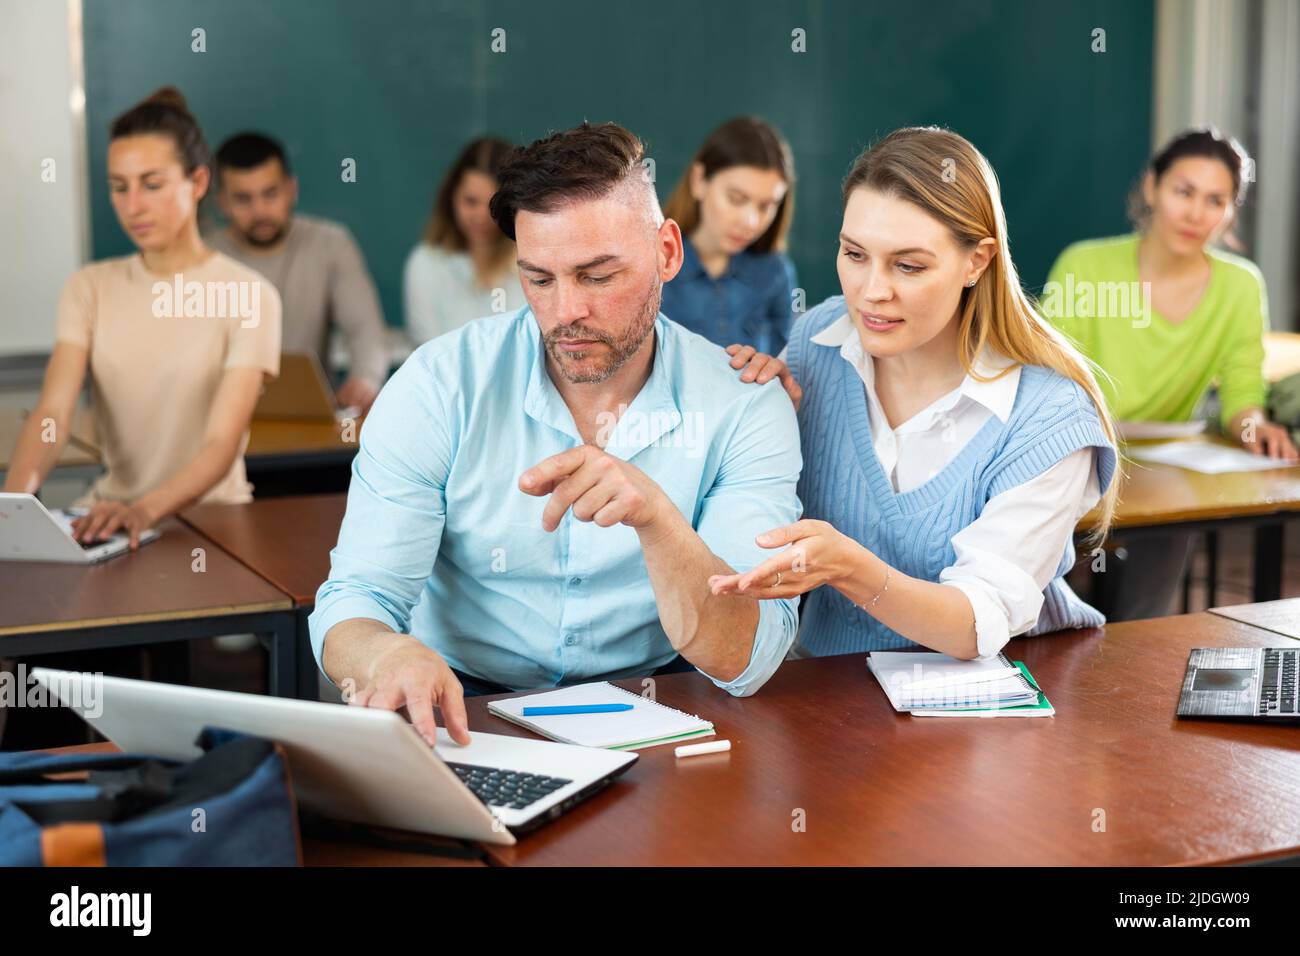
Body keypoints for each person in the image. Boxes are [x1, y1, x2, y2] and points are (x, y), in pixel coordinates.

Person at [309, 122, 802, 746]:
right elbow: (357, 597)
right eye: (539, 279)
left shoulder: (745, 406)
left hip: (667, 702)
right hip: (468, 704)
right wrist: (383, 656)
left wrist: (657, 517)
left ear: (667, 253)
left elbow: (747, 659)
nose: (565, 310)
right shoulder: (436, 385)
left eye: (597, 277)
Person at [709, 127, 1117, 661]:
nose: (872, 291)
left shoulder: (1049, 418)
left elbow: (975, 625)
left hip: (1006, 696)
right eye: (855, 254)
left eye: (909, 265)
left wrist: (853, 571)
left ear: (977, 260)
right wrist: (756, 419)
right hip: (835, 690)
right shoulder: (819, 340)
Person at [3, 87, 281, 544]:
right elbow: (53, 413)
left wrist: (142, 512)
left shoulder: (250, 295)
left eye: (152, 184)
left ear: (198, 183)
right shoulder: (88, 288)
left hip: (211, 527)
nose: (133, 206)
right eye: (119, 187)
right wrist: (11, 513)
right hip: (110, 516)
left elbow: (221, 445)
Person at [1042, 128, 1296, 619]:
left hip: (1165, 466)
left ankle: (1126, 682)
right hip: (1075, 453)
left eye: (1215, 200)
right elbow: (1051, 375)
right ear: (1152, 188)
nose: (1195, 213)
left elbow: (1244, 385)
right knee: (1055, 612)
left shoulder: (1240, 285)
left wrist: (1254, 426)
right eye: (1183, 191)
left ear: (1230, 211)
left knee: (1139, 619)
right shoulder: (1086, 264)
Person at [208, 132, 387, 413]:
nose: (260, 211)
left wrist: (366, 379)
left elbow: (365, 331)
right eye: (243, 199)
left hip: (313, 424)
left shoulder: (331, 243)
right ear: (223, 202)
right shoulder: (203, 256)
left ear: (292, 189)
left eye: (270, 193)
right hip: (222, 417)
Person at [659, 116, 798, 356]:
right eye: (736, 199)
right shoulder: (653, 265)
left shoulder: (775, 272)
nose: (751, 222)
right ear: (699, 180)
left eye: (766, 206)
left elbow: (788, 367)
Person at [403, 136, 526, 344]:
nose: (482, 216)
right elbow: (429, 353)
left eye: (493, 204)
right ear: (452, 197)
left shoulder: (532, 263)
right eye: (471, 201)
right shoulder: (426, 264)